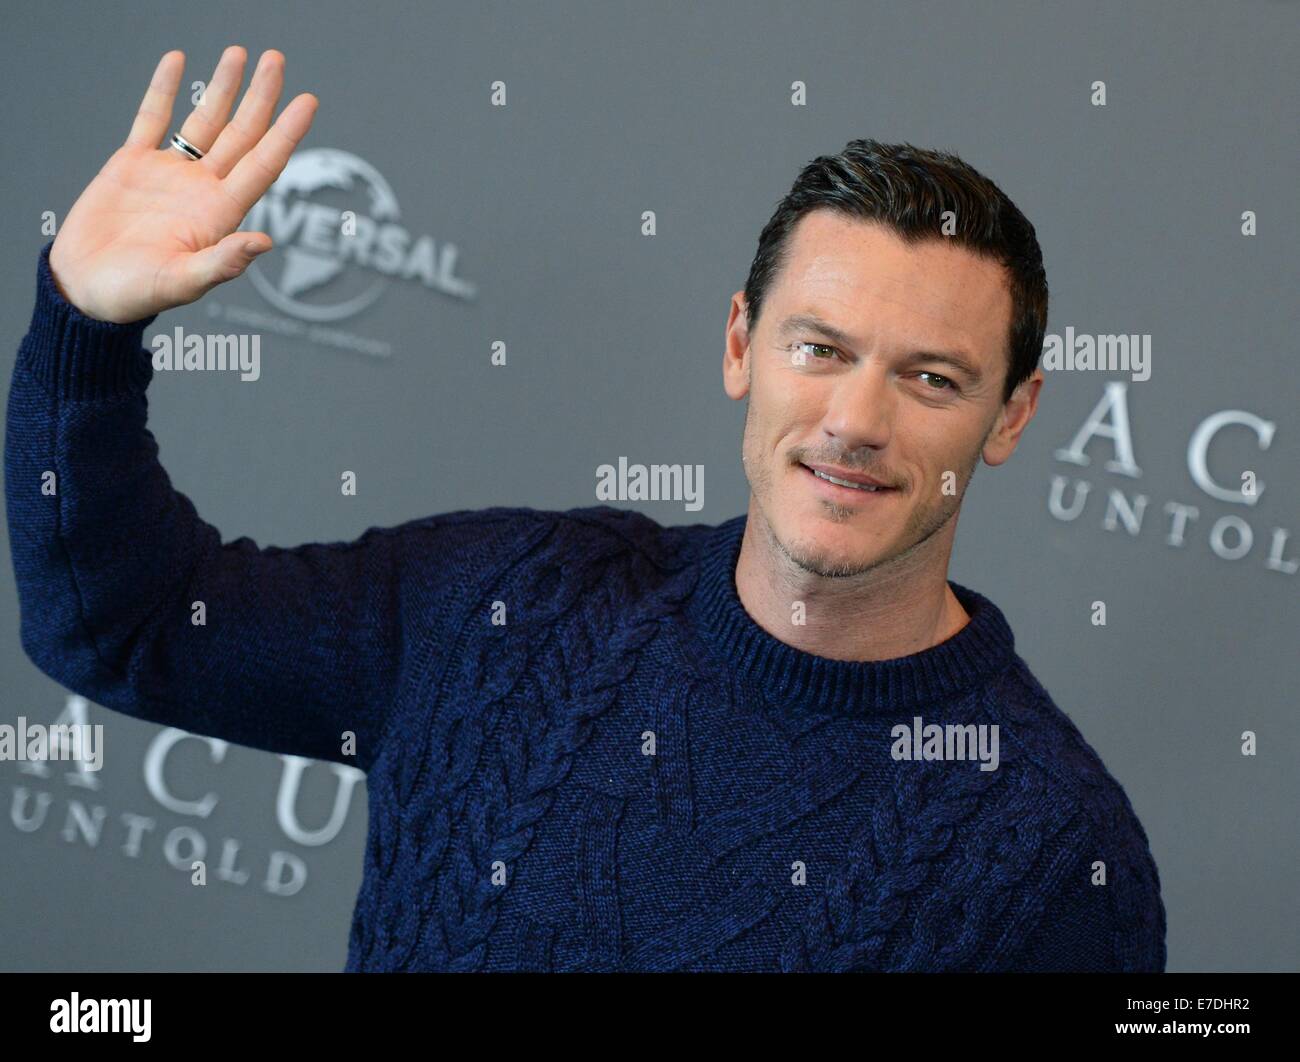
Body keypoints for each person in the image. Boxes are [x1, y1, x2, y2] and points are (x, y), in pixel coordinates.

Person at [6, 45, 1166, 972]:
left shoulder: (1052, 851)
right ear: (737, 347)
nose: (856, 418)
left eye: (930, 378)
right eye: (820, 347)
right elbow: (125, 623)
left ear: (1010, 417)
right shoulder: (504, 607)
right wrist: (85, 326)